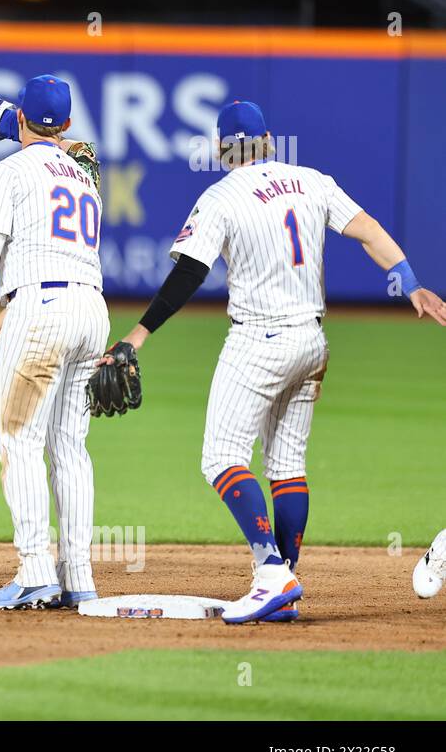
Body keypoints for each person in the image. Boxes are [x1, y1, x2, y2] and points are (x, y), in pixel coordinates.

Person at [107, 99, 446, 623]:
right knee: (286, 467)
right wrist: (411, 284)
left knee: (221, 458)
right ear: (268, 142)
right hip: (312, 343)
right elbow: (369, 230)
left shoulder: (221, 195)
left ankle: (271, 574)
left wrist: (138, 333)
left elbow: (189, 274)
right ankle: (283, 578)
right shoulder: (312, 180)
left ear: (223, 149)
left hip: (259, 343)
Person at [0, 75, 109, 609]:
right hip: (91, 311)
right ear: (64, 125)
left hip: (40, 311)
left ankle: (37, 570)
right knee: (69, 447)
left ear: (17, 119)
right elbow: (56, 261)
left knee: (20, 442)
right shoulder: (84, 177)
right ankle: (78, 574)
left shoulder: (8, 170)